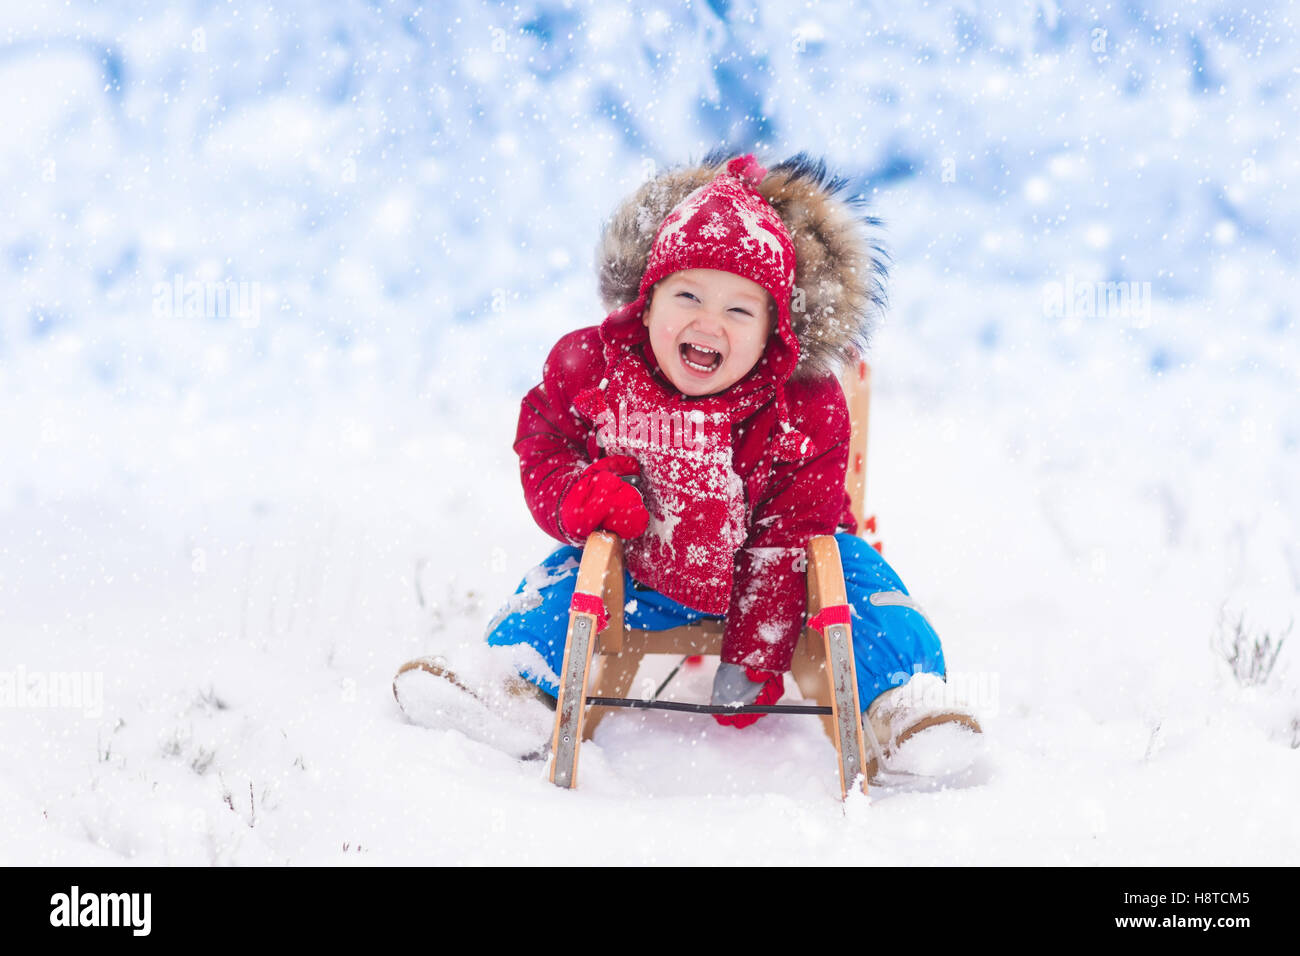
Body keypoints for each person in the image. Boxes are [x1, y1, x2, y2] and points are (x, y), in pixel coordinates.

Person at [395, 150, 983, 780]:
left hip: (784, 584)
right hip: (642, 579)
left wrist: (757, 654)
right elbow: (544, 439)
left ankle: (905, 704)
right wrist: (576, 497)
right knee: (562, 582)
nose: (709, 321)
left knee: (859, 578)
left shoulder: (802, 408)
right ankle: (513, 687)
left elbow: (791, 529)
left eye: (739, 309)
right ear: (646, 304)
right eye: (688, 294)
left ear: (773, 335)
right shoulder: (594, 368)